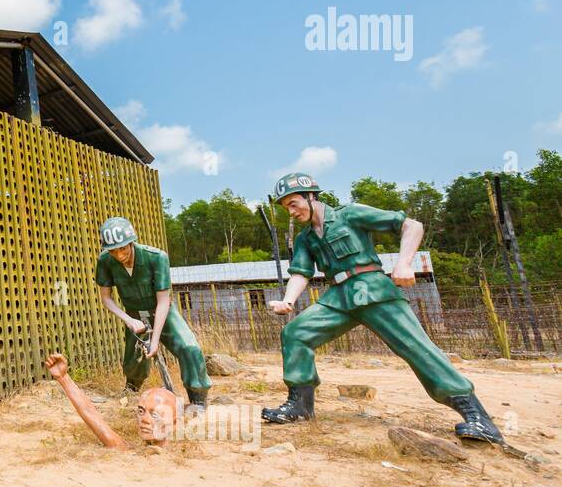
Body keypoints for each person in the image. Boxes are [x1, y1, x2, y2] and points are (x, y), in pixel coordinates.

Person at [262, 172, 503, 443]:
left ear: (311, 196)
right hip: (338, 297)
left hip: (373, 289)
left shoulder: (349, 214)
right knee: (296, 333)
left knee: (415, 346)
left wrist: (403, 263)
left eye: (293, 204)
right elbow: (300, 273)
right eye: (285, 208)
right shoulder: (306, 239)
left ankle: (477, 417)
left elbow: (411, 225)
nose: (291, 212)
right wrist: (289, 301)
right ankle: (300, 406)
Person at [94, 216, 210, 410]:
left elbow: (164, 300)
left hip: (162, 311)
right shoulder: (105, 261)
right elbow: (106, 298)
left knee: (189, 348)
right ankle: (131, 389)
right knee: (133, 360)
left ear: (132, 242)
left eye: (123, 248)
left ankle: (198, 399)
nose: (119, 255)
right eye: (113, 251)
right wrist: (129, 319)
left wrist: (155, 340)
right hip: (134, 314)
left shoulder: (156, 257)